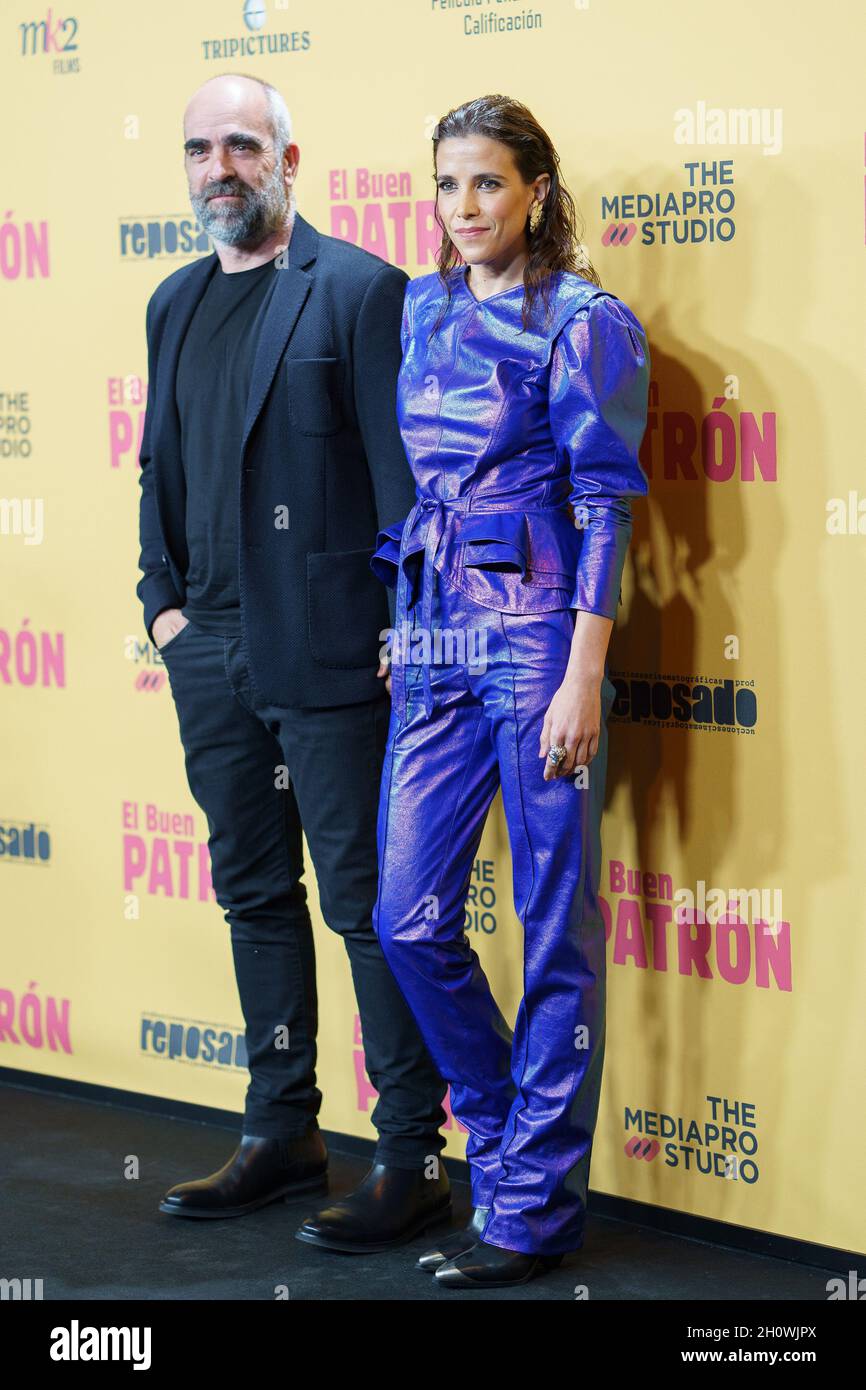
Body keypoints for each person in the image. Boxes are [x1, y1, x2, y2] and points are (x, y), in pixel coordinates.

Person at [137, 71, 452, 1249]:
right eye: (198, 149)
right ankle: (282, 1131)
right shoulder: (171, 301)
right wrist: (162, 607)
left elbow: (400, 487)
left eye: (239, 146)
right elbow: (156, 470)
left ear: (286, 157)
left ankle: (413, 1151)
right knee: (252, 896)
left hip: (328, 658)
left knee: (364, 907)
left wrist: (396, 629)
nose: (218, 167)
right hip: (206, 650)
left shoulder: (360, 290)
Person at [369, 94, 650, 1289]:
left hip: (539, 637)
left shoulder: (585, 321)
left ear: (534, 187)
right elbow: (424, 483)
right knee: (405, 917)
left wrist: (583, 671)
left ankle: (532, 1209)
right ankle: (500, 1140)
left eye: (484, 183)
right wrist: (406, 619)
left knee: (552, 926)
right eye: (444, 185)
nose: (461, 208)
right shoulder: (422, 305)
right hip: (434, 631)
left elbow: (602, 503)